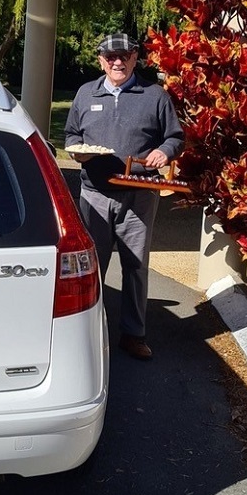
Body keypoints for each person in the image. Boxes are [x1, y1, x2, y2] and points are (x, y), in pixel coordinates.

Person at [64, 32, 183, 361]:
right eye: (111, 56)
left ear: (135, 58)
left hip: (139, 195)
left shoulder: (154, 95)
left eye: (125, 56)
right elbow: (72, 134)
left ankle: (133, 334)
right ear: (101, 60)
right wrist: (78, 154)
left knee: (135, 266)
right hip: (95, 193)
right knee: (91, 267)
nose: (118, 62)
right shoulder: (86, 93)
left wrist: (164, 150)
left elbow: (175, 136)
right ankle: (88, 334)